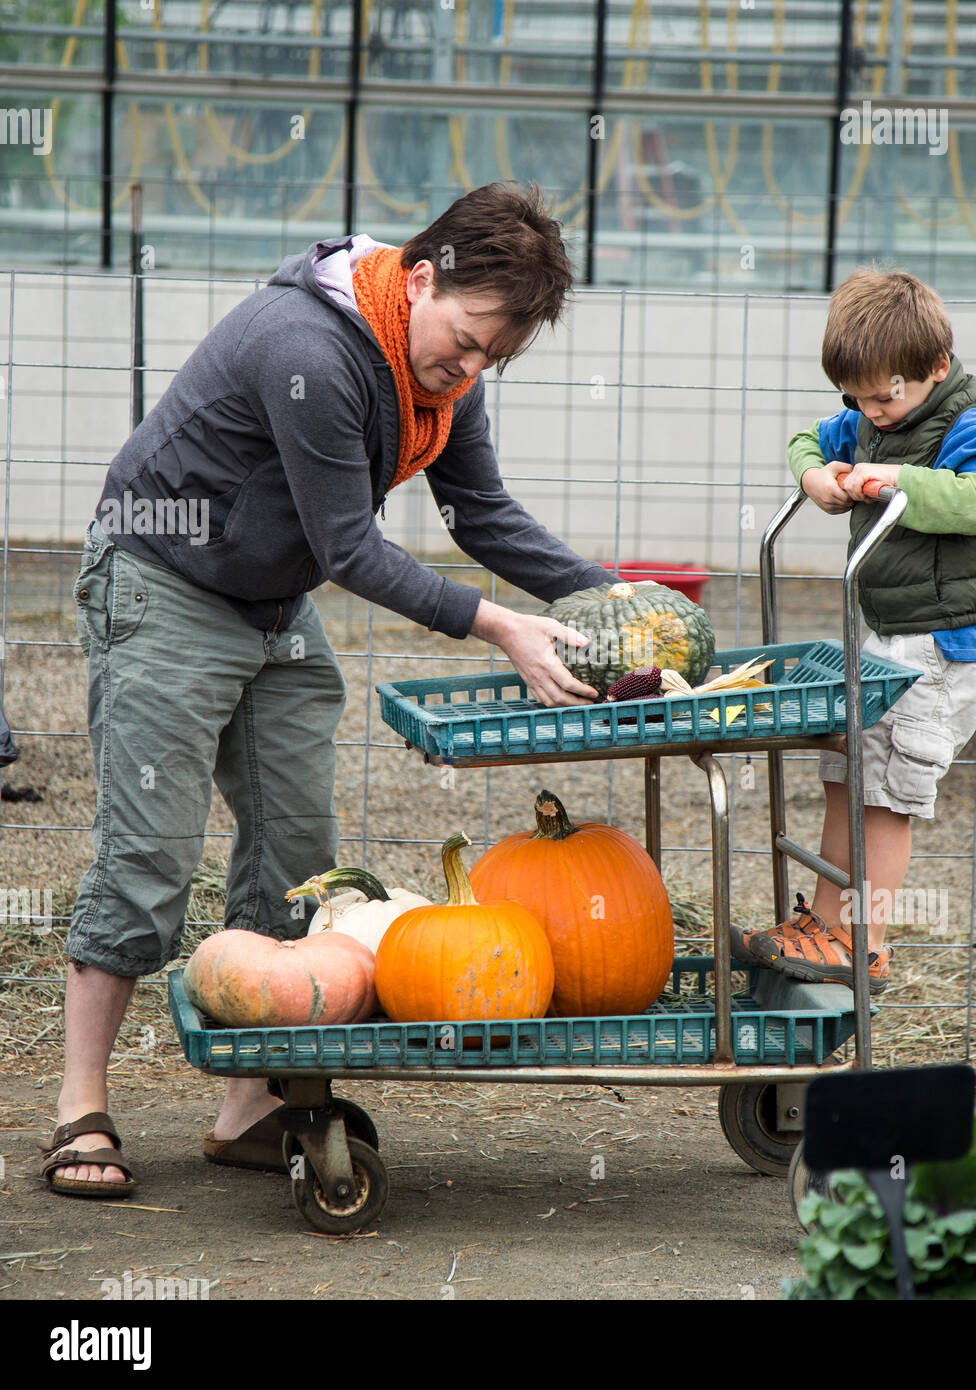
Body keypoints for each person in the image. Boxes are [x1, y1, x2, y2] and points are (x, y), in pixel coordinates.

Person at [43, 183, 616, 1196]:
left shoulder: (440, 374)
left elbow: (480, 512)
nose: (471, 367)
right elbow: (348, 547)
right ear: (424, 273)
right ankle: (78, 1106)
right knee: (151, 853)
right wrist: (500, 626)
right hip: (164, 584)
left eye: (492, 357)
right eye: (469, 339)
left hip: (271, 601)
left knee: (300, 860)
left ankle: (253, 1108)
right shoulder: (311, 352)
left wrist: (607, 598)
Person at [739, 268, 976, 993]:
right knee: (848, 777)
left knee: (888, 795)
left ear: (936, 366)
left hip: (946, 647)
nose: (869, 413)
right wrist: (817, 480)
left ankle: (864, 943)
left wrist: (895, 482)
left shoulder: (972, 423)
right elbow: (809, 438)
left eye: (883, 396)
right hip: (888, 636)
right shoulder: (869, 417)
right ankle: (824, 926)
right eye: (856, 398)